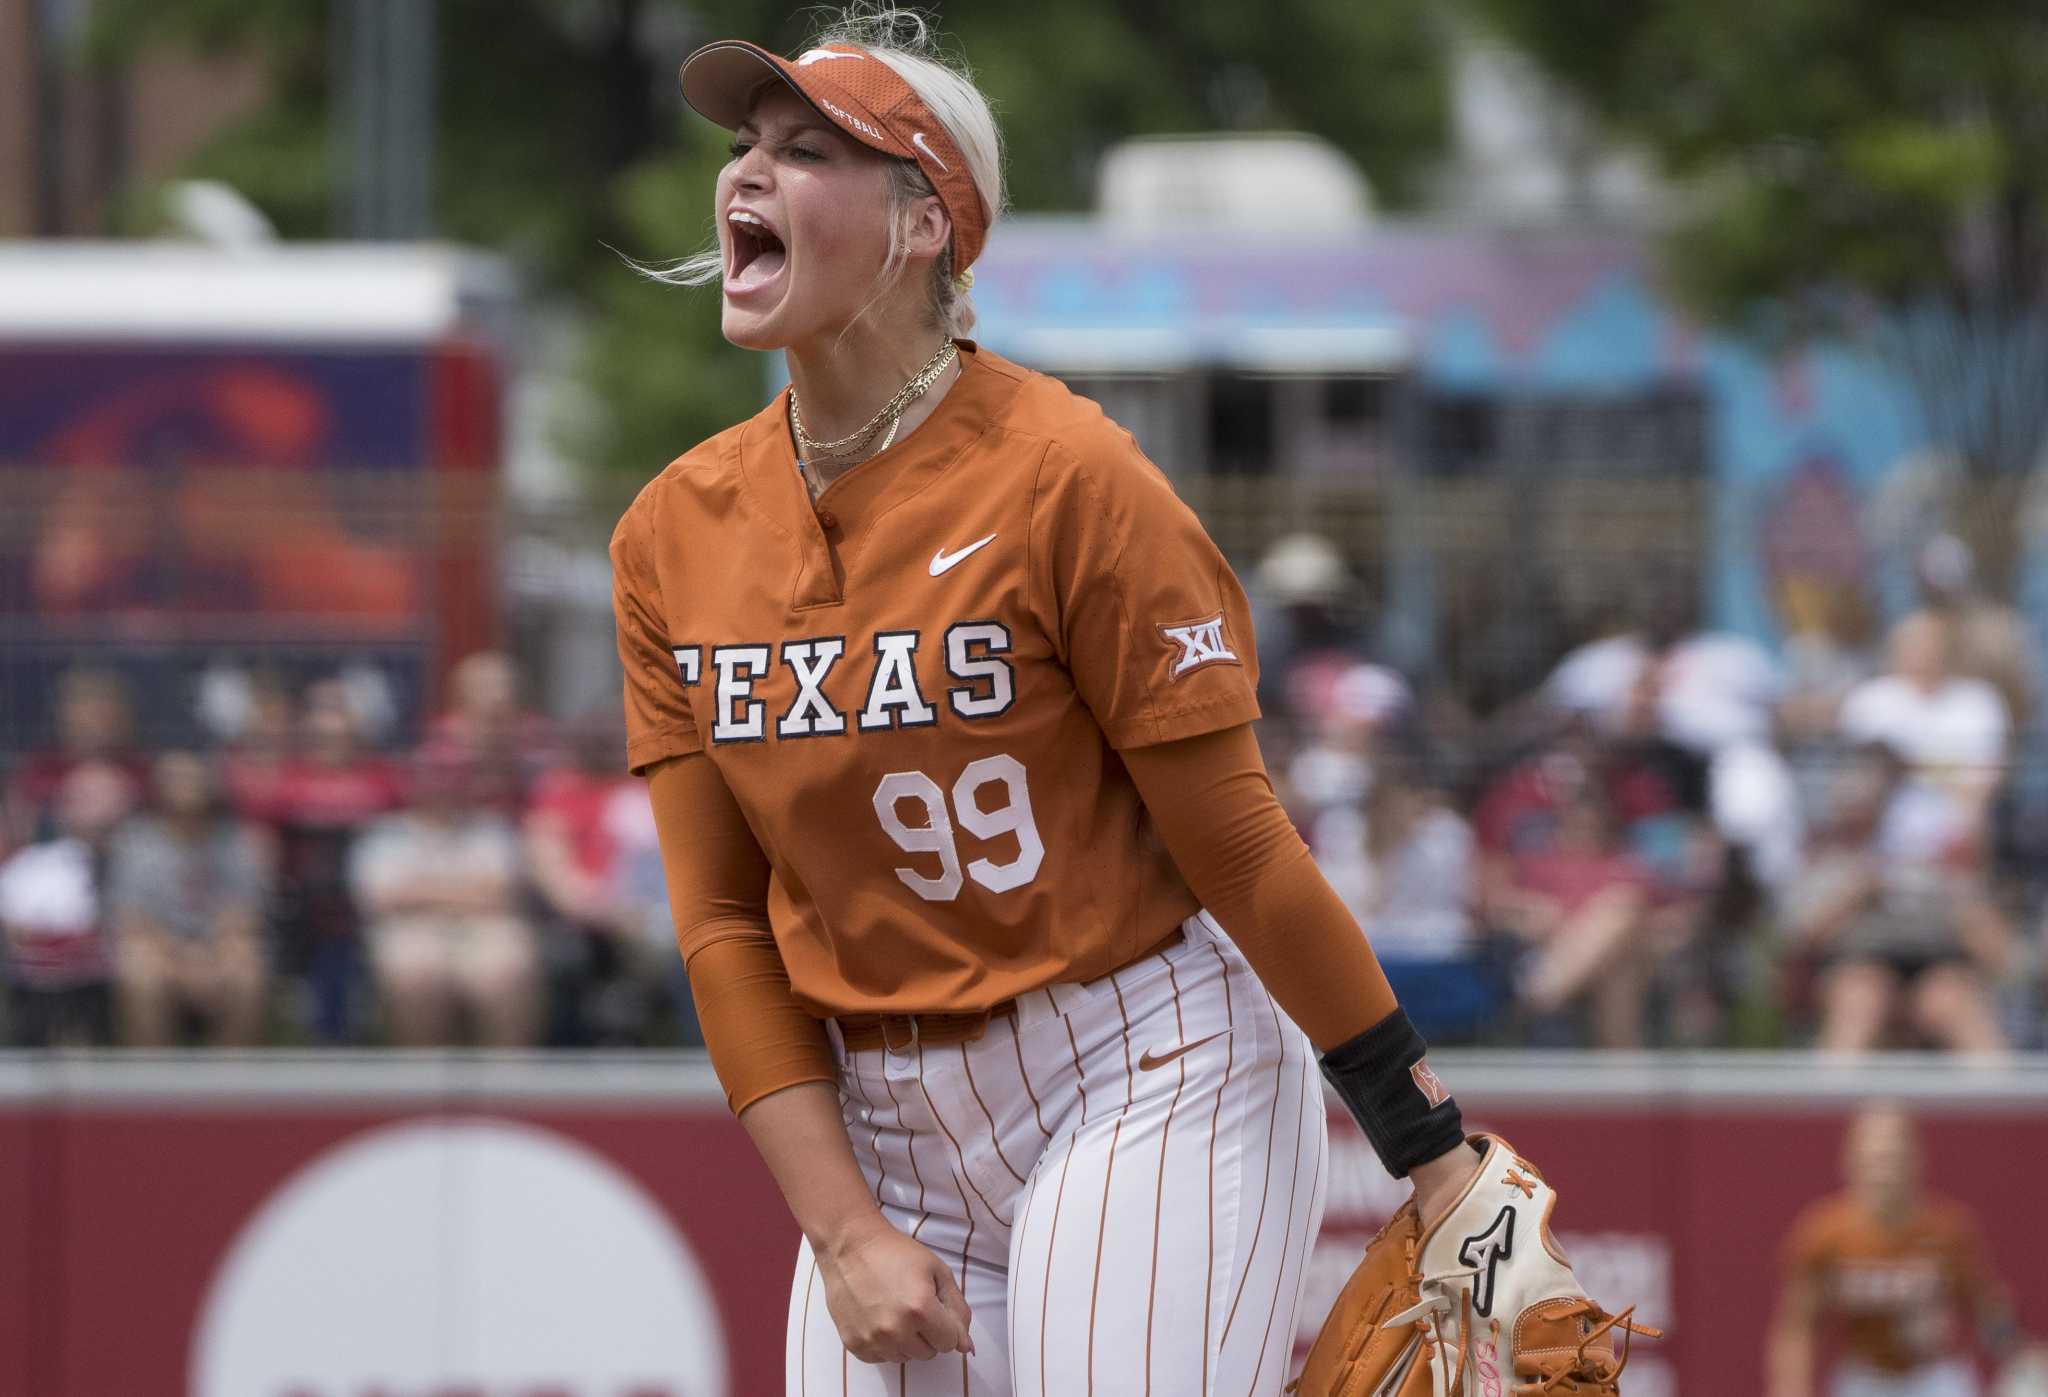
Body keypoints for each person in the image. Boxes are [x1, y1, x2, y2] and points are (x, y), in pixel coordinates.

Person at [612, 11, 1636, 1394]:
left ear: (925, 227)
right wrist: (841, 1225)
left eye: (806, 152)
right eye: (745, 148)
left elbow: (1241, 846)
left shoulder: (1069, 474)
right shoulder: (674, 531)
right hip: (880, 1113)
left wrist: (1433, 1151)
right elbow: (724, 919)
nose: (747, 174)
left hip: (1137, 1062)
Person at [1769, 1105, 2018, 1397]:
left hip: (1934, 1375)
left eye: (1893, 1156)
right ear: (1850, 1159)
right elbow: (1798, 1325)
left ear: (1916, 1159)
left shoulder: (1948, 1229)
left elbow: (1985, 1309)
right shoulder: (1825, 1234)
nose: (1884, 1168)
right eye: (1874, 1157)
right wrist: (1789, 1387)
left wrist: (2018, 1353)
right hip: (1865, 1377)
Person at [349, 742, 539, 1047]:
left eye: (450, 778)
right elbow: (382, 898)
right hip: (411, 931)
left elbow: (501, 895)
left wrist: (421, 889)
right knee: (417, 973)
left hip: (485, 930)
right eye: (432, 777)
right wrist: (465, 891)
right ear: (413, 783)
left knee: (507, 969)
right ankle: (421, 1080)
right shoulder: (385, 834)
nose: (442, 787)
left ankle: (508, 1079)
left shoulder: (492, 830)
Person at [107, 751, 272, 1047]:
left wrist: (210, 961)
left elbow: (243, 916)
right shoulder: (136, 842)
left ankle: (232, 1083)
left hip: (219, 948)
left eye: (194, 778)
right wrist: (184, 965)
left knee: (247, 968)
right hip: (160, 948)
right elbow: (133, 920)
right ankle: (152, 1081)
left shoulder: (238, 841)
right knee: (138, 968)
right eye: (176, 778)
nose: (186, 786)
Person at [0, 761, 126, 1046]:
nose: (98, 812)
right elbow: (17, 928)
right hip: (57, 983)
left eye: (106, 799)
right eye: (85, 799)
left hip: (123, 975)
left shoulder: (146, 858)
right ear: (65, 808)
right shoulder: (36, 864)